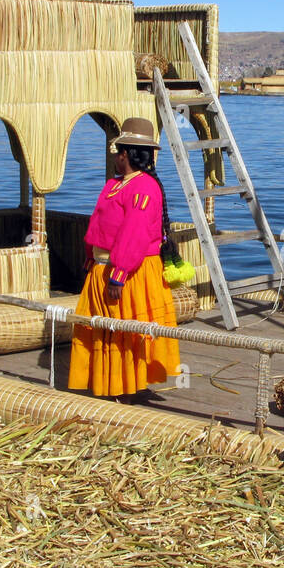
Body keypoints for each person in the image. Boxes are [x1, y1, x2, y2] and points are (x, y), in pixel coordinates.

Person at [68, 117, 180, 400]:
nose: (116, 157)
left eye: (119, 152)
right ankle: (106, 383)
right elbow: (100, 225)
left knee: (124, 328)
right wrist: (91, 260)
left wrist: (119, 273)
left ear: (127, 154)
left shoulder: (143, 187)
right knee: (101, 327)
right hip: (104, 267)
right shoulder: (115, 185)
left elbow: (135, 233)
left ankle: (126, 387)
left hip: (130, 271)